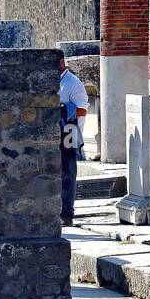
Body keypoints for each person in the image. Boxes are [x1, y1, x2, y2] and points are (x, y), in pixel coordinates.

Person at [57, 54, 89, 224]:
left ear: (62, 62)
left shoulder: (72, 83)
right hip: (56, 132)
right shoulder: (52, 81)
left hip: (69, 132)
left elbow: (82, 110)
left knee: (68, 173)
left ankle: (67, 212)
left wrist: (61, 110)